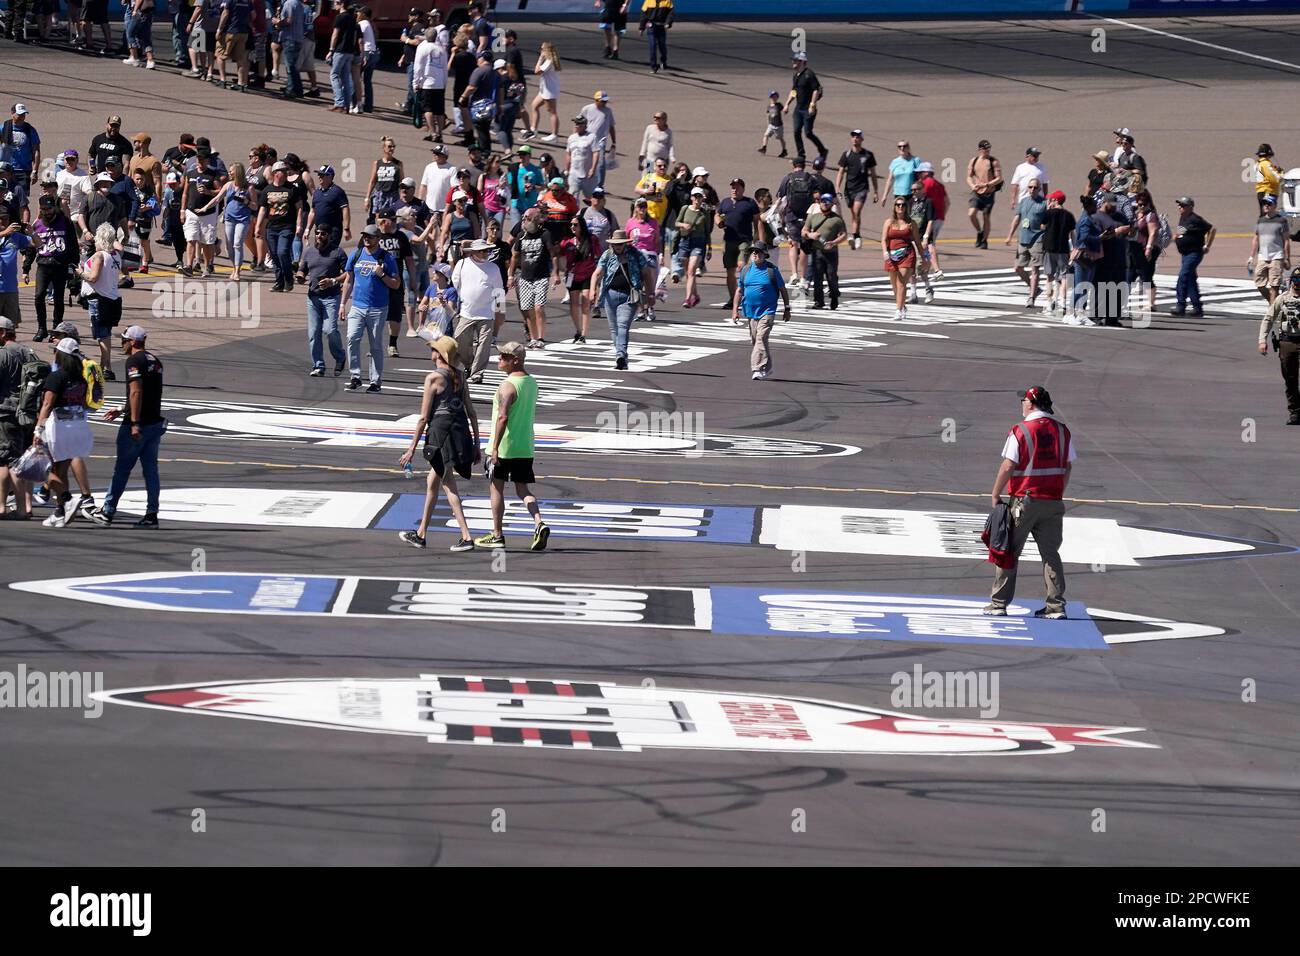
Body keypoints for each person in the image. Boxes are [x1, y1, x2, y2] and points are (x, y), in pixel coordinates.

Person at [985, 386, 1075, 620]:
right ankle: (1056, 606)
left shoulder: (1021, 430)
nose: (1022, 404)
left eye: (1024, 400)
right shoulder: (1063, 431)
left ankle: (999, 604)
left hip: (1025, 501)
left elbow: (1008, 465)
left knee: (1008, 551)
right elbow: (1068, 466)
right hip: (1053, 502)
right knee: (1050, 554)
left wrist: (996, 493)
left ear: (1031, 404)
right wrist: (1057, 492)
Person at [397, 335, 479, 551]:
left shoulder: (433, 378)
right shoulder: (460, 376)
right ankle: (421, 533)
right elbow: (471, 412)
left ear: (440, 355)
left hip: (441, 436)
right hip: (460, 433)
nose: (431, 353)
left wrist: (411, 449)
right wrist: (477, 443)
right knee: (432, 482)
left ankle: (466, 536)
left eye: (433, 349)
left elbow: (424, 417)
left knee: (448, 484)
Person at [82, 326, 165, 529]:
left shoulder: (134, 361)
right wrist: (121, 408)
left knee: (122, 469)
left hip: (137, 425)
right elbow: (148, 393)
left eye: (125, 340)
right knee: (151, 471)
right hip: (155, 422)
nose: (123, 343)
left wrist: (134, 423)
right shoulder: (155, 361)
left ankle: (108, 511)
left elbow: (136, 392)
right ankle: (152, 514)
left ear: (134, 342)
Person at [478, 341, 548, 550]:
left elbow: (502, 418)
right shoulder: (531, 383)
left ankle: (497, 534)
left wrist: (495, 449)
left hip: (505, 447)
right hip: (524, 446)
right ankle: (538, 522)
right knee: (522, 489)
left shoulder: (508, 386)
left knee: (496, 489)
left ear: (515, 361)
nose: (499, 360)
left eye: (504, 357)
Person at [31, 337, 95, 529]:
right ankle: (60, 511)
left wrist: (38, 429)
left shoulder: (56, 377)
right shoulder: (81, 379)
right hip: (78, 426)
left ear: (60, 355)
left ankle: (67, 499)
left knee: (41, 468)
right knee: (60, 469)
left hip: (58, 428)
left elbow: (47, 404)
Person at [341, 224, 400, 393]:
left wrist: (382, 274)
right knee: (352, 338)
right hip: (357, 307)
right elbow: (349, 280)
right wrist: (342, 304)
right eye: (365, 235)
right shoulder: (356, 254)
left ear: (378, 239)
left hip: (377, 308)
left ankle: (375, 381)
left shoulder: (386, 258)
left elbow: (396, 284)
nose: (366, 238)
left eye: (370, 236)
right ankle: (355, 376)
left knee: (375, 345)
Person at [590, 229, 650, 370]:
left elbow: (647, 273)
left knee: (622, 325)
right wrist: (593, 289)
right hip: (610, 295)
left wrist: (650, 293)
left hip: (629, 295)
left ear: (625, 243)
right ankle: (622, 356)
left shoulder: (635, 254)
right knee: (614, 329)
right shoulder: (608, 254)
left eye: (620, 244)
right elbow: (597, 273)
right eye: (615, 244)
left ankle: (620, 356)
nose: (617, 246)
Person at [295, 223, 348, 377]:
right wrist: (300, 276)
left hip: (331, 297)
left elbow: (348, 274)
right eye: (317, 233)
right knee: (314, 333)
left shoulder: (337, 252)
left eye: (323, 234)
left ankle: (340, 357)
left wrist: (333, 280)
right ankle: (318, 365)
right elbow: (302, 269)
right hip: (313, 297)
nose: (319, 236)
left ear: (329, 236)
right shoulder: (309, 251)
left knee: (330, 330)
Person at [732, 242, 789, 380]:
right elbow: (739, 291)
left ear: (765, 255)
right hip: (750, 311)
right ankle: (768, 368)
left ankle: (757, 368)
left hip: (768, 311)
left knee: (761, 338)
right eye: (753, 252)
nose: (755, 254)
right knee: (757, 341)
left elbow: (782, 289)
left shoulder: (771, 270)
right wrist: (735, 310)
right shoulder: (746, 270)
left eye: (758, 252)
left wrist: (787, 308)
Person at [452, 237, 505, 384]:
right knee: (460, 338)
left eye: (486, 251)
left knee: (484, 345)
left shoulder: (493, 268)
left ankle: (477, 373)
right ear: (473, 252)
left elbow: (499, 290)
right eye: (481, 251)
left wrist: (501, 310)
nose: (485, 253)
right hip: (467, 312)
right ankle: (469, 365)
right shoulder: (462, 264)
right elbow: (455, 284)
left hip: (487, 313)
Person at [0, 317, 38, 520]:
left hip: (7, 412)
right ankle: (27, 506)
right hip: (28, 413)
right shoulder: (28, 352)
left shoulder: (3, 355)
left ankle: (14, 508)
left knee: (7, 461)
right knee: (25, 460)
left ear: (3, 333)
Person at [27, 196, 77, 340]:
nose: (47, 212)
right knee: (39, 296)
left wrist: (73, 265)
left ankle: (56, 329)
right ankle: (42, 328)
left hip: (60, 265)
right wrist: (26, 268)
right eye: (44, 209)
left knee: (58, 298)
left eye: (49, 209)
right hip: (43, 264)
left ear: (55, 208)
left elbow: (73, 244)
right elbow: (31, 248)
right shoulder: (37, 225)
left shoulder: (65, 222)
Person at [79, 222, 122, 380]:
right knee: (106, 335)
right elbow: (118, 246)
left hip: (99, 300)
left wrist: (80, 273)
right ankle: (106, 368)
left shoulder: (99, 256)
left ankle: (105, 369)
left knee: (102, 336)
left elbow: (93, 277)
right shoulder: (116, 255)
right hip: (112, 299)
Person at [1257, 268, 1300, 425]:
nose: (1298, 285)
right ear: (1291, 282)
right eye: (1296, 281)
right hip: (1287, 342)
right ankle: (1295, 412)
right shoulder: (1283, 299)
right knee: (1290, 379)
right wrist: (1262, 340)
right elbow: (1268, 318)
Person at [509, 207, 557, 347]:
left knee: (538, 307)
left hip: (541, 276)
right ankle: (533, 338)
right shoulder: (521, 236)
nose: (523, 221)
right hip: (524, 277)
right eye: (523, 218)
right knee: (527, 308)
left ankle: (541, 338)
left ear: (534, 220)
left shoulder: (545, 234)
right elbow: (515, 256)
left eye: (526, 218)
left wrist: (556, 274)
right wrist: (510, 275)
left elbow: (553, 255)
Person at [255, 161, 304, 292]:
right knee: (274, 255)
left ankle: (289, 279)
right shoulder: (267, 190)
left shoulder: (292, 189)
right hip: (271, 227)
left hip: (287, 227)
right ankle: (279, 282)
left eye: (286, 170)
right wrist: (258, 226)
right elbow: (263, 210)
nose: (286, 173)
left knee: (282, 252)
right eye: (283, 170)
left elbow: (299, 208)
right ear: (276, 173)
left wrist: (299, 225)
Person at [374, 210, 417, 358]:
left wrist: (412, 279)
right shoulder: (374, 235)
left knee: (394, 315)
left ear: (390, 221)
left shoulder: (401, 237)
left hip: (395, 281)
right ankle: (375, 345)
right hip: (376, 282)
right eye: (379, 221)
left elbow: (409, 260)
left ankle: (392, 344)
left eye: (382, 221)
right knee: (375, 315)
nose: (380, 224)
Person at [1006, 178, 1046, 309]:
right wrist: (1010, 236)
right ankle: (1034, 288)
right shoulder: (1023, 202)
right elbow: (1017, 219)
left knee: (1035, 269)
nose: (1032, 190)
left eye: (1035, 187)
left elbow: (1048, 222)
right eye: (1030, 187)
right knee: (1018, 267)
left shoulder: (1043, 204)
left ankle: (1031, 297)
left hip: (1037, 239)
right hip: (1023, 239)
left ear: (1039, 189)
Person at [180, 146, 220, 277]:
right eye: (198, 159)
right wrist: (182, 210)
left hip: (208, 213)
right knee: (191, 239)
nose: (199, 162)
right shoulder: (190, 173)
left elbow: (220, 191)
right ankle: (189, 266)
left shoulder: (212, 174)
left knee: (206, 242)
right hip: (191, 212)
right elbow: (185, 193)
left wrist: (209, 192)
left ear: (207, 161)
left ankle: (208, 266)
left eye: (202, 160)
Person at [776, 156, 815, 289]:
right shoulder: (810, 178)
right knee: (804, 248)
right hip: (806, 217)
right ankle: (804, 278)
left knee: (793, 244)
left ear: (794, 165)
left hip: (791, 216)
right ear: (804, 165)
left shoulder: (788, 178)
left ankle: (794, 274)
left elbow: (780, 197)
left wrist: (780, 218)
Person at [880, 195, 921, 321]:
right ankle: (902, 305)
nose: (900, 207)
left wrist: (924, 257)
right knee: (894, 285)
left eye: (903, 205)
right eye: (898, 205)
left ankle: (898, 310)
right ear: (894, 207)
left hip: (907, 254)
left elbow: (918, 242)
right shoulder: (889, 222)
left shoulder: (911, 223)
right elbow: (884, 239)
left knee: (901, 283)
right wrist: (885, 252)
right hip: (892, 256)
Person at [802, 193, 845, 311]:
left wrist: (834, 243)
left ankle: (834, 296)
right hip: (817, 251)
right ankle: (818, 301)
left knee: (831, 276)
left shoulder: (837, 219)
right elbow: (804, 231)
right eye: (822, 201)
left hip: (831, 253)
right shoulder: (813, 217)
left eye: (827, 201)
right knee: (817, 277)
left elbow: (843, 235)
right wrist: (811, 235)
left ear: (831, 203)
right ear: (819, 202)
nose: (825, 203)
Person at [1172, 196, 1214, 318]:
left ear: (1190, 207)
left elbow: (1211, 229)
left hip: (1194, 253)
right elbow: (1181, 232)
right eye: (1179, 205)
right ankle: (1197, 308)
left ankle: (1180, 306)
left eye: (1183, 205)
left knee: (1183, 276)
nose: (1180, 207)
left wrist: (1207, 245)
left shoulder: (1195, 219)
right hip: (1185, 254)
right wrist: (1177, 238)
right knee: (1190, 279)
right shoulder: (1182, 218)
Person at [835, 129, 877, 249]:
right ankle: (855, 236)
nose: (855, 139)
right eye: (853, 136)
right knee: (854, 214)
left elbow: (873, 174)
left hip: (862, 188)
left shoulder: (868, 155)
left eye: (857, 137)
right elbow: (841, 172)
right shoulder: (847, 154)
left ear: (862, 139)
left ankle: (856, 236)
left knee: (856, 211)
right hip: (849, 189)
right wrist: (837, 187)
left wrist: (875, 191)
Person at [560, 214, 599, 342]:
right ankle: (577, 330)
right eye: (571, 225)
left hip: (587, 275)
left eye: (575, 225)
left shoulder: (592, 239)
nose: (572, 227)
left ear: (581, 226)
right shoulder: (568, 242)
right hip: (572, 276)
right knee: (573, 304)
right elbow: (559, 256)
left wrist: (597, 280)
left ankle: (584, 333)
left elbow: (598, 257)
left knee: (586, 302)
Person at [1039, 190, 1076, 318]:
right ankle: (1063, 303)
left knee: (1049, 276)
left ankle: (1049, 303)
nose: (1050, 201)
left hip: (1049, 249)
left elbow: (1042, 227)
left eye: (1051, 199)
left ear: (1055, 200)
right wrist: (1074, 249)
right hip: (1063, 249)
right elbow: (1072, 233)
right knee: (1064, 276)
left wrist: (1048, 210)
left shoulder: (1049, 213)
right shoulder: (1069, 215)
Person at [674, 186, 711, 309]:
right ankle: (695, 295)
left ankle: (688, 298)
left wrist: (709, 248)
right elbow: (676, 222)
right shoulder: (685, 209)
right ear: (691, 198)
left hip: (698, 243)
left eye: (699, 197)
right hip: (685, 241)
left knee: (691, 271)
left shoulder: (704, 213)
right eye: (695, 196)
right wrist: (684, 225)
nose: (697, 199)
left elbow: (707, 232)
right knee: (687, 272)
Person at [1250, 195, 1290, 305]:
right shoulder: (1260, 220)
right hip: (1263, 256)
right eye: (1264, 203)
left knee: (1274, 285)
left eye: (1269, 204)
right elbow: (1256, 239)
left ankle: (1272, 312)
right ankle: (1274, 305)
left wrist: (1287, 258)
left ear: (1274, 206)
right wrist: (1251, 256)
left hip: (1277, 256)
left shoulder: (1281, 221)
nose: (1266, 206)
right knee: (1259, 283)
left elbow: (1286, 240)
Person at [784, 52, 825, 161]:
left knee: (808, 133)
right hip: (799, 108)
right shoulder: (796, 75)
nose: (793, 62)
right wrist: (787, 104)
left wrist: (812, 104)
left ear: (802, 62)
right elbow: (794, 91)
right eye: (793, 60)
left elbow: (816, 89)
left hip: (808, 108)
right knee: (796, 131)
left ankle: (822, 150)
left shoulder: (809, 74)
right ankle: (801, 155)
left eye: (795, 61)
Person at [1127, 190, 1160, 318]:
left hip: (1145, 249)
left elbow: (1153, 232)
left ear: (1148, 204)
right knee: (1129, 276)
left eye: (1143, 204)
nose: (1141, 206)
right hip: (1134, 250)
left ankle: (1151, 303)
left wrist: (1149, 248)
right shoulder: (1136, 214)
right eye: (1139, 203)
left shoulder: (1151, 216)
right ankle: (1124, 302)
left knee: (1146, 275)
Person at [412, 26, 449, 141]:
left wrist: (416, 82)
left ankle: (433, 133)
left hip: (427, 83)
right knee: (439, 110)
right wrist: (444, 83)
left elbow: (418, 66)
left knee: (428, 109)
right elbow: (444, 68)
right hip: (439, 83)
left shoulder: (422, 48)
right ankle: (440, 133)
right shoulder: (441, 49)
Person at [302, 164, 350, 252]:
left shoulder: (337, 192)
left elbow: (345, 209)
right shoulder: (316, 192)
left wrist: (346, 228)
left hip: (333, 230)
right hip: (319, 230)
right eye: (319, 175)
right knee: (318, 253)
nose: (319, 177)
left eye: (322, 175)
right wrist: (307, 229)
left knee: (330, 253)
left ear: (330, 176)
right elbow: (312, 212)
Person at [0, 207, 31, 328]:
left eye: (6, 219)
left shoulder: (15, 236)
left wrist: (32, 232)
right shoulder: (6, 232)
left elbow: (37, 244)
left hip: (10, 288)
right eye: (1, 219)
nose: (4, 222)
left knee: (10, 327)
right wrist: (3, 233)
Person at [579, 91, 616, 189]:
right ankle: (583, 180)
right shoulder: (587, 109)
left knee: (601, 163)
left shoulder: (608, 111)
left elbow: (611, 126)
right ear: (596, 100)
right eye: (602, 101)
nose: (605, 103)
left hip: (601, 141)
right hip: (587, 139)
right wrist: (576, 137)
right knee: (584, 160)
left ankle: (599, 185)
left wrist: (614, 142)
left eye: (606, 101)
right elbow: (579, 123)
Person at [326, 0, 358, 113]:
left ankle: (339, 103)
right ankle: (347, 106)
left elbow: (335, 35)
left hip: (340, 50)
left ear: (341, 4)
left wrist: (331, 50)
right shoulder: (352, 17)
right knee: (345, 78)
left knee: (334, 75)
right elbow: (354, 36)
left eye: (336, 2)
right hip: (349, 51)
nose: (334, 4)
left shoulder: (340, 17)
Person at [527, 41, 562, 143]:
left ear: (546, 50)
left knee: (552, 112)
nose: (540, 50)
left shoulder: (548, 61)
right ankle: (533, 130)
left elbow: (537, 71)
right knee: (534, 106)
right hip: (545, 90)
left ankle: (554, 135)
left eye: (542, 49)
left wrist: (540, 58)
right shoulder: (549, 60)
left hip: (549, 91)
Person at [565, 114, 598, 200]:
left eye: (579, 124)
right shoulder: (571, 138)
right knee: (572, 197)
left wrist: (593, 169)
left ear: (584, 125)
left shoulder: (591, 137)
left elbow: (595, 153)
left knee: (591, 198)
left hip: (587, 175)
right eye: (576, 123)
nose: (576, 126)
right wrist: (567, 170)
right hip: (574, 173)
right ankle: (574, 213)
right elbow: (568, 154)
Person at [879, 140, 919, 208]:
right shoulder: (895, 162)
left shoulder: (915, 160)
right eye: (899, 146)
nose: (902, 148)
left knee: (911, 216)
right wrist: (884, 196)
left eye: (904, 146)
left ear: (908, 148)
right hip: (898, 194)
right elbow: (890, 180)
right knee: (899, 216)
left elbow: (920, 178)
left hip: (912, 194)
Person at [639, 0, 673, 74]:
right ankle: (653, 66)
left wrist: (668, 23)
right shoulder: (648, 1)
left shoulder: (667, 1)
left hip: (661, 26)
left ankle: (663, 60)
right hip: (651, 26)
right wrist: (641, 28)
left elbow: (671, 13)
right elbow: (643, 14)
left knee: (662, 46)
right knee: (652, 46)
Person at [1254, 144, 1283, 214]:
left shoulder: (1258, 164)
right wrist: (1281, 173)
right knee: (1269, 215)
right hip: (1268, 192)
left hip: (1262, 192)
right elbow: (1275, 179)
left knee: (1264, 214)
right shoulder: (1265, 164)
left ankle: (1261, 224)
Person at [757, 90, 787, 158]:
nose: (773, 98)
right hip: (771, 125)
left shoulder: (779, 105)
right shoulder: (769, 106)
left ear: (777, 97)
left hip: (778, 126)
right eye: (772, 97)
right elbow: (768, 114)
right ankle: (764, 148)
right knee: (766, 135)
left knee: (780, 138)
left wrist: (785, 110)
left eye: (775, 97)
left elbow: (784, 109)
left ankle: (784, 150)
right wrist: (768, 122)